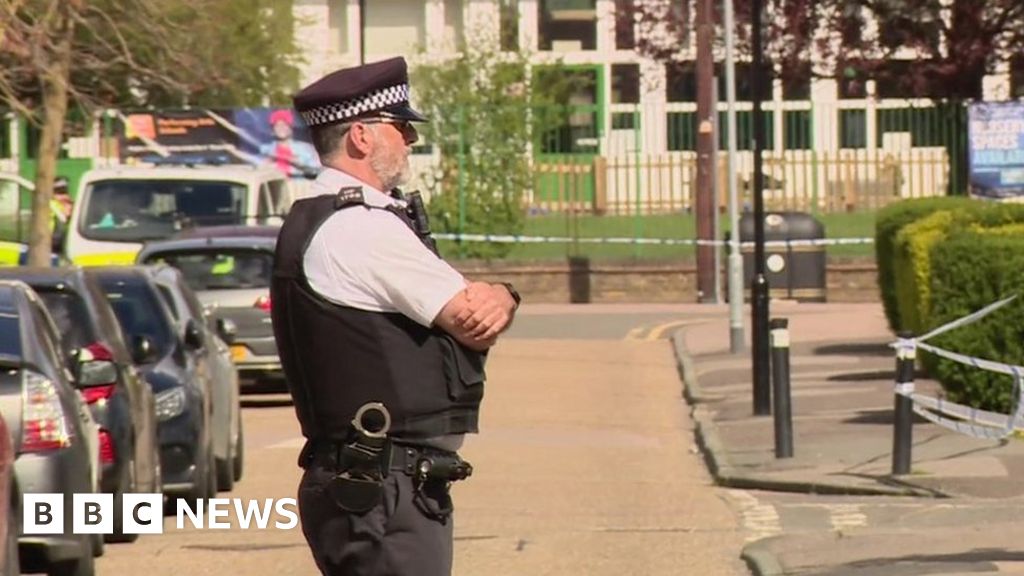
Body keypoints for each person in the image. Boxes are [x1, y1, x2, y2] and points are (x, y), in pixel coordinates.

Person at [270, 56, 521, 576]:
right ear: (361, 136)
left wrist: (500, 295)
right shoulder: (362, 227)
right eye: (400, 127)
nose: (410, 140)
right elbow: (472, 320)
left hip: (369, 484)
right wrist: (503, 297)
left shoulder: (322, 216)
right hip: (384, 490)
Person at [259, 108, 320, 177]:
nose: (281, 128)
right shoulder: (265, 149)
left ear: (291, 128)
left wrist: (298, 163)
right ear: (273, 131)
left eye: (285, 124)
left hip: (300, 181)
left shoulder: (304, 148)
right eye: (277, 125)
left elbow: (316, 171)